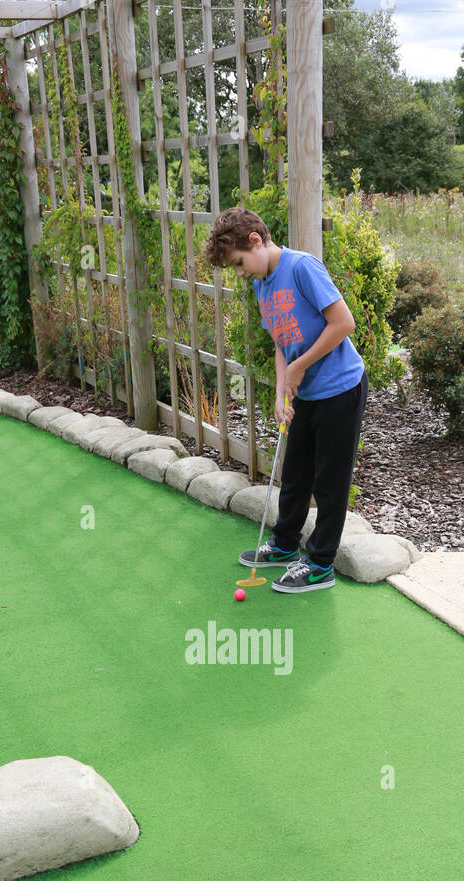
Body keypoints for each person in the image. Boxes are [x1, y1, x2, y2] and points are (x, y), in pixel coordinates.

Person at [205, 207, 368, 593]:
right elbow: (282, 342)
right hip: (307, 392)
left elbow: (344, 323)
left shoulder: (301, 268)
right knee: (295, 474)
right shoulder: (263, 283)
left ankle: (320, 565)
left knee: (330, 481)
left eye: (240, 263)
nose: (241, 273)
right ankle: (283, 545)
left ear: (256, 241)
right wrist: (282, 390)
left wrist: (300, 368)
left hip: (341, 388)